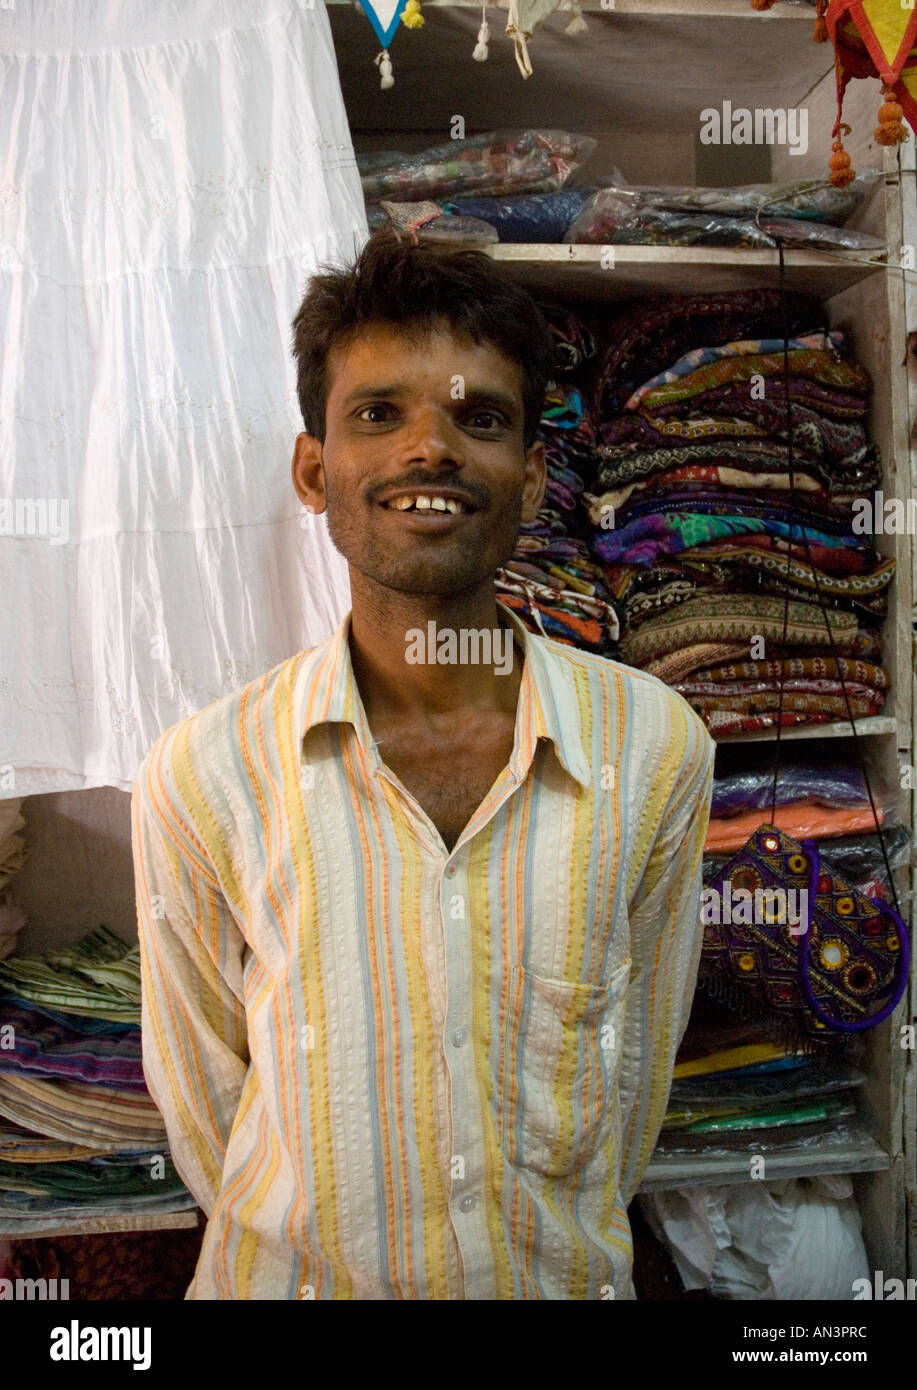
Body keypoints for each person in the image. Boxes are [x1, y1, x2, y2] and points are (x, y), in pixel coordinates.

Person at [132, 227, 715, 1300]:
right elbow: (209, 1117)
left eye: (478, 418)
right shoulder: (201, 776)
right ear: (315, 470)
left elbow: (628, 1086)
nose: (429, 449)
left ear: (534, 478)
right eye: (378, 413)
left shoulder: (653, 750)